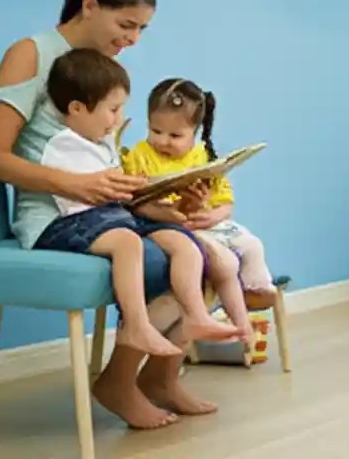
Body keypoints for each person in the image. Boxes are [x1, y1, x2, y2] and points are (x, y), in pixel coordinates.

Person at [0, 0, 217, 429]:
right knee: (170, 261)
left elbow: (102, 167)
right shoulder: (31, 54)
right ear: (89, 6)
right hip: (60, 214)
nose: (132, 39)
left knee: (205, 250)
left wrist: (162, 201)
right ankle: (118, 384)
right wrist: (76, 185)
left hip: (104, 208)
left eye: (142, 29)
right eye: (125, 25)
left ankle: (158, 380)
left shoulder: (104, 69)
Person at [33, 49, 241, 354]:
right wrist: (126, 187)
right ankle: (136, 325)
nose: (118, 120)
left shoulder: (100, 143)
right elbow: (85, 195)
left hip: (114, 217)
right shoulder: (64, 144)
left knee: (186, 244)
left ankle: (196, 316)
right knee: (128, 243)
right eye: (113, 110)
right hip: (77, 222)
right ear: (77, 109)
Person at [122, 78, 277, 342]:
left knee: (252, 244)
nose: (163, 141)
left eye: (175, 136)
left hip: (208, 222)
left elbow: (226, 201)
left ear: (194, 131)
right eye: (155, 131)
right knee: (226, 264)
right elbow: (133, 201)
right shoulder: (139, 155)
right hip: (177, 226)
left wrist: (212, 213)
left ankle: (256, 290)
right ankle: (241, 326)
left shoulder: (202, 157)